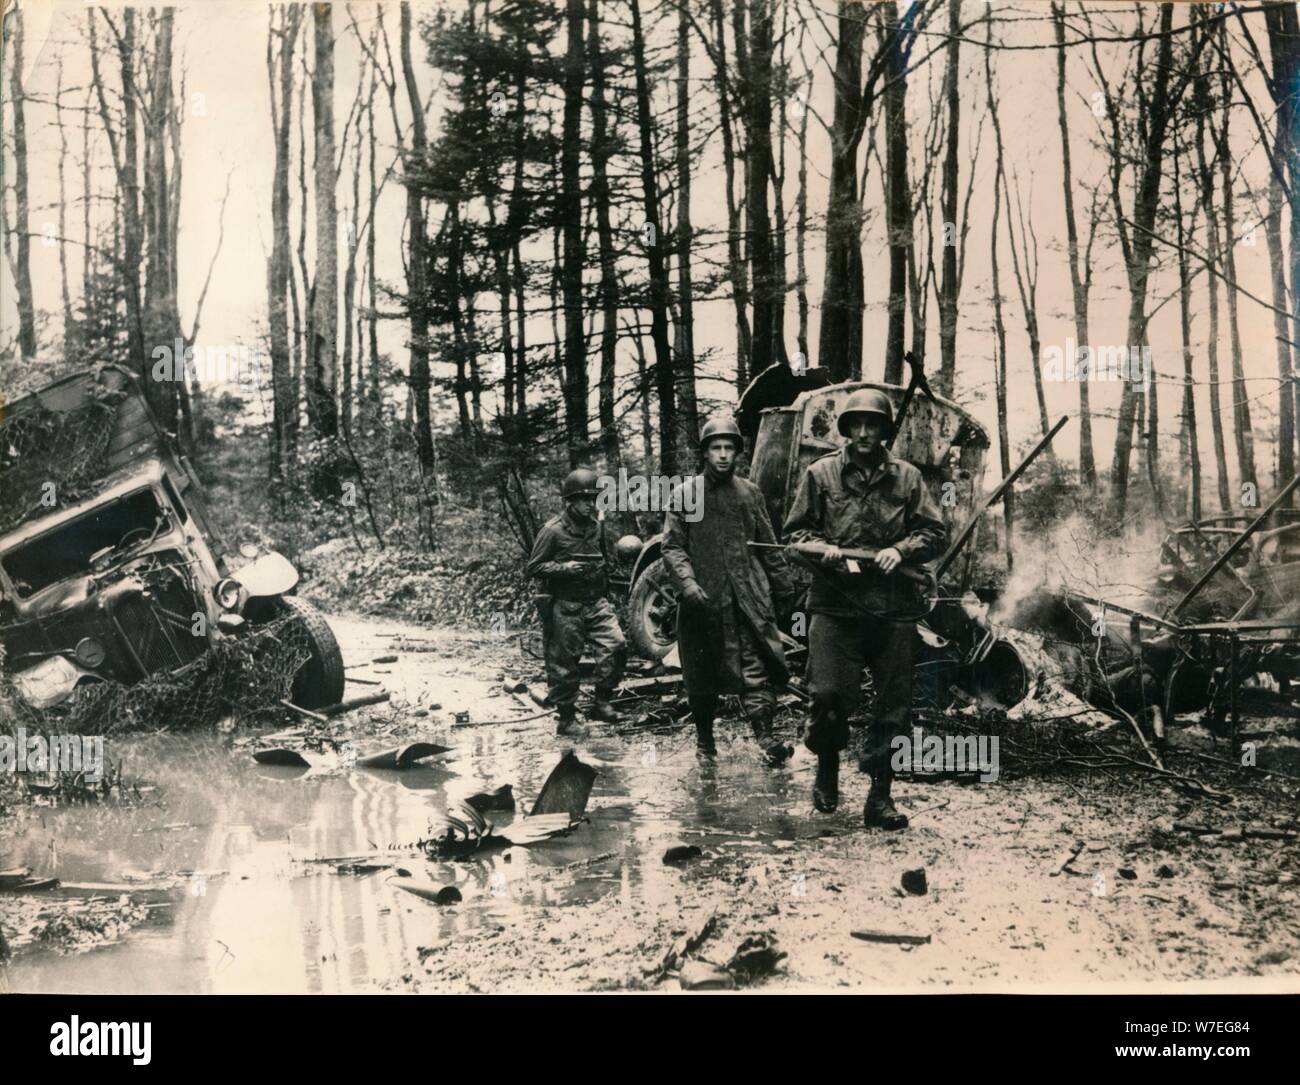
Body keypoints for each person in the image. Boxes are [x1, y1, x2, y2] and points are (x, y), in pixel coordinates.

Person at [782, 388, 946, 829]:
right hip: (835, 604)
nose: (864, 433)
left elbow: (935, 533)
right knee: (829, 694)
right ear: (847, 429)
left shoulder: (908, 478)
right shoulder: (820, 475)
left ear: (884, 431)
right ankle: (828, 764)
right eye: (856, 425)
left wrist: (903, 549)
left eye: (873, 425)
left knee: (894, 705)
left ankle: (880, 795)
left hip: (893, 607)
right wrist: (824, 551)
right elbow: (794, 537)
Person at [661, 414, 799, 765]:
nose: (723, 455)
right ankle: (705, 743)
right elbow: (672, 546)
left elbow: (768, 545)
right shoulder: (685, 494)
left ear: (738, 453)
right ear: (705, 453)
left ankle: (766, 739)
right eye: (715, 448)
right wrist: (688, 585)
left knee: (757, 669)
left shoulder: (750, 494)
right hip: (703, 602)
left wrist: (784, 593)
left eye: (729, 448)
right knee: (702, 675)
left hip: (748, 600)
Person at [526, 467, 626, 735]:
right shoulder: (552, 531)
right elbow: (533, 567)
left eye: (594, 499)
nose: (590, 505)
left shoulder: (596, 528)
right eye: (584, 500)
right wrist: (565, 568)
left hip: (595, 602)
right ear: (569, 501)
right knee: (564, 662)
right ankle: (567, 718)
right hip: (565, 605)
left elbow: (606, 561)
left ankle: (602, 702)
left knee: (616, 646)